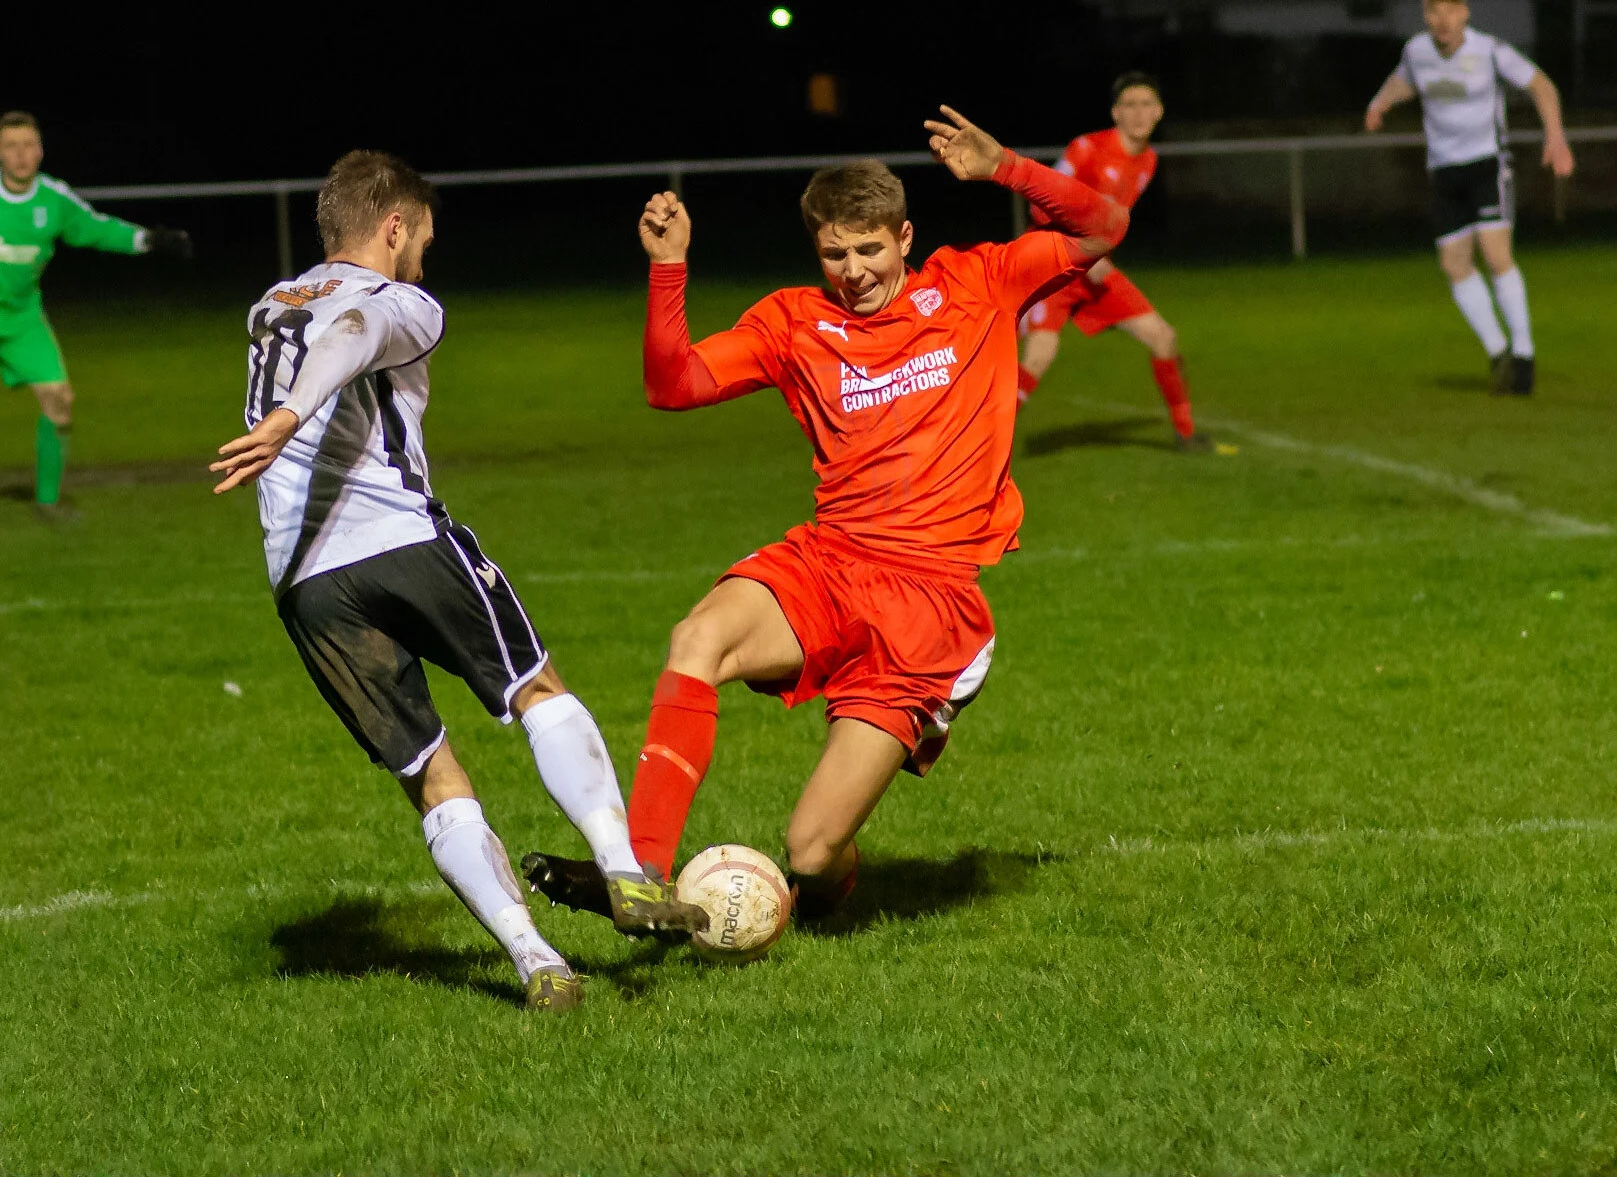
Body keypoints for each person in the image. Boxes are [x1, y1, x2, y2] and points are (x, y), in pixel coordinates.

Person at [523, 108, 1127, 922]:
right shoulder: (793, 324)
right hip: (830, 563)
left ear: (905, 236)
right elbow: (674, 387)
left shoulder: (976, 282)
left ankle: (829, 894)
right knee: (698, 638)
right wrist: (669, 269)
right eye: (834, 254)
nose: (853, 270)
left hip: (929, 606)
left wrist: (1006, 170)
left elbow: (1103, 225)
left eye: (869, 249)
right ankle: (638, 872)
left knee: (811, 851)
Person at [209, 150, 705, 1012]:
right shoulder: (401, 303)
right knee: (534, 688)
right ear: (393, 225)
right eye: (421, 239)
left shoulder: (270, 304)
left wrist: (286, 415)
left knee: (428, 774)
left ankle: (535, 961)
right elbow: (357, 331)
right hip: (401, 542)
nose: (424, 259)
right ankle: (623, 869)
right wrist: (294, 417)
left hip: (303, 583)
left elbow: (329, 328)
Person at [1365, 0, 1575, 396]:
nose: (1442, 20)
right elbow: (1404, 79)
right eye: (1434, 12)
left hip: (1487, 165)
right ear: (1426, 17)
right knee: (1453, 265)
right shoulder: (1417, 52)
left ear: (1465, 14)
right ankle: (1499, 353)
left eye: (1450, 11)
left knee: (1496, 256)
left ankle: (1525, 355)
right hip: (1444, 171)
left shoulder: (1489, 51)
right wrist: (1380, 102)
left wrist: (1555, 134)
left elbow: (1541, 85)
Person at [0, 110, 192, 517]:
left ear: (40, 151)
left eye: (28, 145)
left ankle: (47, 503)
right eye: (10, 146)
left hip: (21, 320)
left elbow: (97, 228)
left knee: (58, 401)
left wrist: (149, 240)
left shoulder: (53, 199)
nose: (20, 155)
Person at [1013, 73, 1206, 451]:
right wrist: (1083, 247)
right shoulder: (1086, 149)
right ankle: (980, 446)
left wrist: (1096, 253)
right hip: (1054, 266)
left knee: (1163, 337)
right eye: (1130, 105)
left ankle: (1186, 434)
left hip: (1094, 270)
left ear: (1160, 111)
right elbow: (1038, 205)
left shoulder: (1148, 159)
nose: (1139, 113)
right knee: (1038, 357)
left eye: (1147, 104)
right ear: (1116, 113)